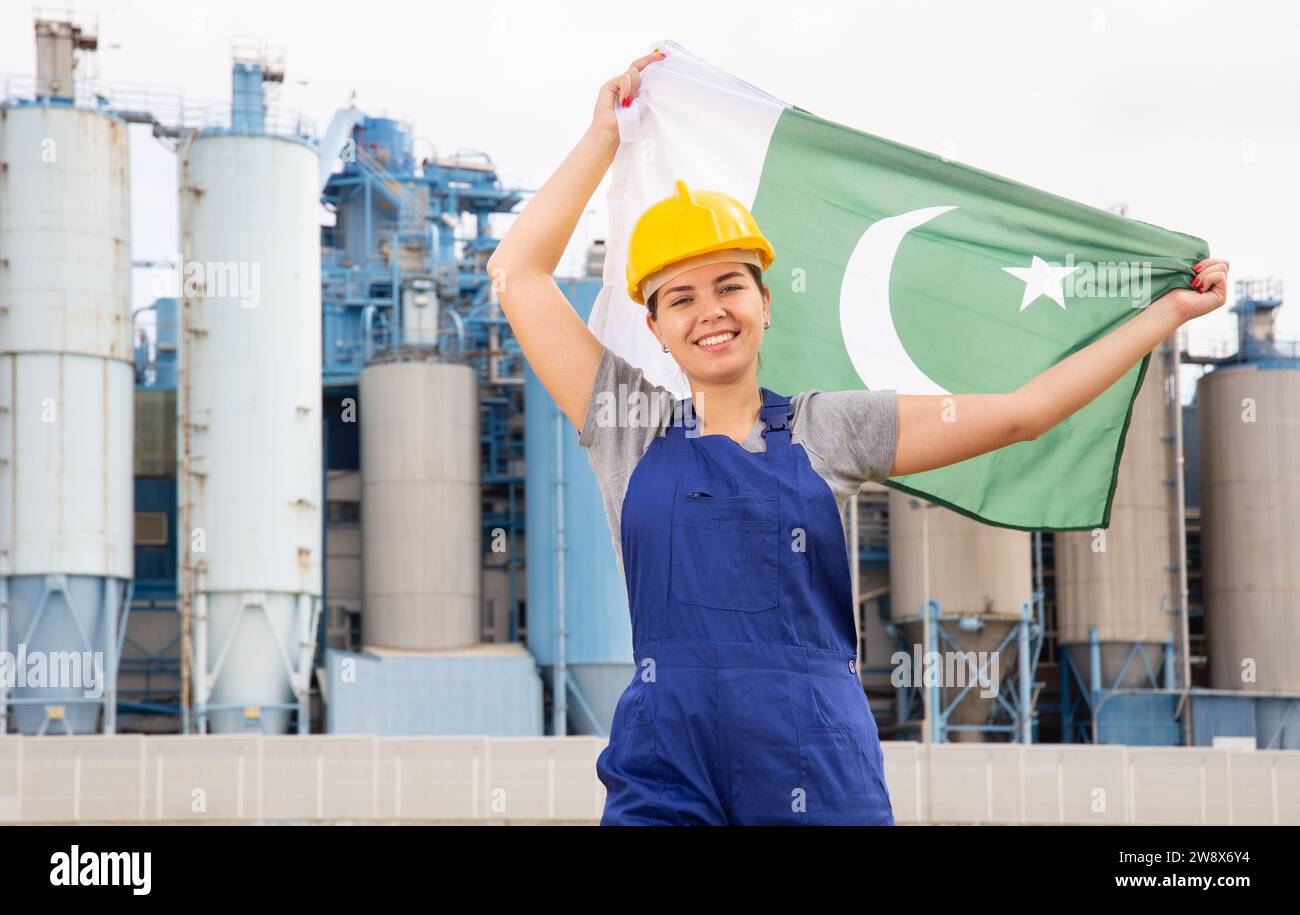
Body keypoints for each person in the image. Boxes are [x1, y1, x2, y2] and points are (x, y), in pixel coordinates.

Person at [487, 51, 1230, 825]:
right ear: (656, 327)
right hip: (665, 768)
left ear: (767, 301)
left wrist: (1165, 315)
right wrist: (601, 135)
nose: (710, 310)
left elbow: (1024, 412)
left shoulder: (828, 427)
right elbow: (518, 272)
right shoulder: (624, 426)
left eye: (730, 285)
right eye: (681, 297)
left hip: (813, 759)